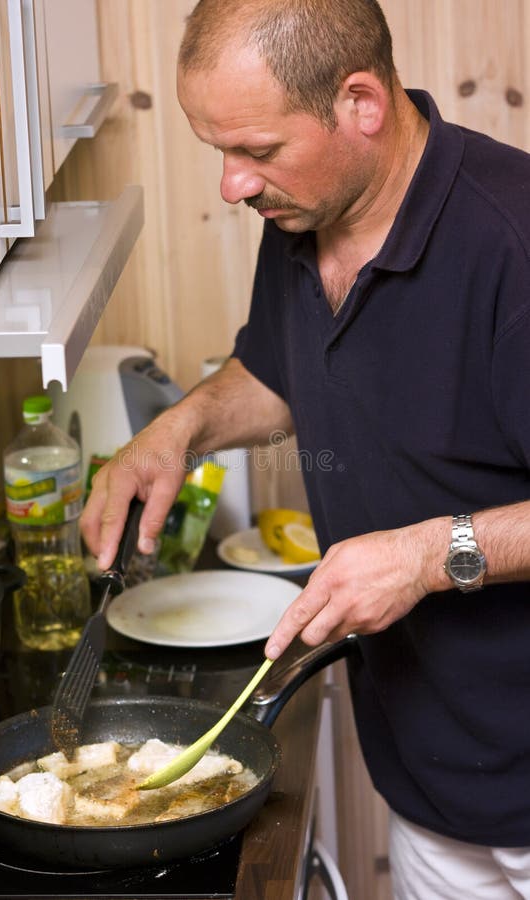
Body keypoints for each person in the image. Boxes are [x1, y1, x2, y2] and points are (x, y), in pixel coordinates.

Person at [81, 1, 530, 895]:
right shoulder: (302, 211)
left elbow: (426, 556)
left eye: (256, 150)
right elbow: (285, 370)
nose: (232, 186)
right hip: (428, 783)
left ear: (360, 101)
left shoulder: (512, 243)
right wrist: (180, 428)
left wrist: (422, 557)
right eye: (219, 152)